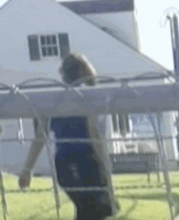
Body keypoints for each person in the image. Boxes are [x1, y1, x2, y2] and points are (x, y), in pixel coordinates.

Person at [16, 53, 117, 220]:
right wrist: (105, 170)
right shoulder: (85, 99)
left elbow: (40, 137)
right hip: (87, 162)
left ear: (62, 73)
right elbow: (95, 137)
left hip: (64, 165)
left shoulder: (53, 100)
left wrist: (27, 169)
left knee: (86, 211)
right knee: (94, 212)